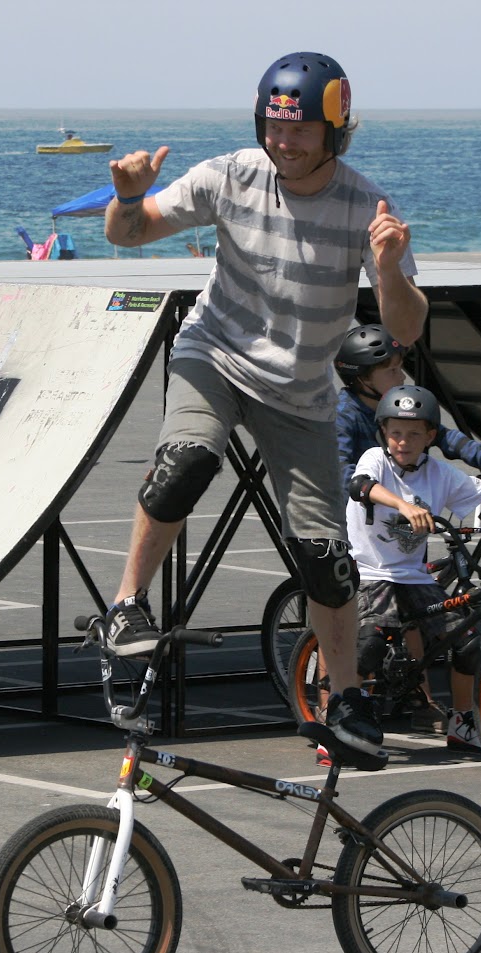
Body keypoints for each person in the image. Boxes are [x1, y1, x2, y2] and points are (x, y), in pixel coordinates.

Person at [101, 52, 427, 761]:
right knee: (184, 464)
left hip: (302, 392)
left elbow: (404, 329)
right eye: (276, 128)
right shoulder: (229, 176)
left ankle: (346, 696)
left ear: (336, 132)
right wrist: (127, 198)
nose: (286, 143)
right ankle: (125, 608)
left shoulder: (365, 206)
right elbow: (126, 234)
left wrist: (393, 265)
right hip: (213, 355)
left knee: (324, 557)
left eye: (303, 131)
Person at [345, 385, 481, 751]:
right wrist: (405, 507)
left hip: (414, 577)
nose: (402, 441)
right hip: (373, 573)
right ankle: (342, 721)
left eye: (412, 434)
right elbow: (361, 486)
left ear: (430, 437)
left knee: (468, 642)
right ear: (383, 433)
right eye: (395, 432)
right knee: (370, 645)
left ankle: (461, 722)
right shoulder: (375, 459)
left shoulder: (438, 473)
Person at [334, 323, 481, 483]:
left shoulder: (397, 404)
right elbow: (338, 468)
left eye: (401, 368)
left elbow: (445, 437)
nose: (402, 377)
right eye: (392, 371)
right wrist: (369, 492)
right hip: (360, 512)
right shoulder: (342, 416)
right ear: (363, 379)